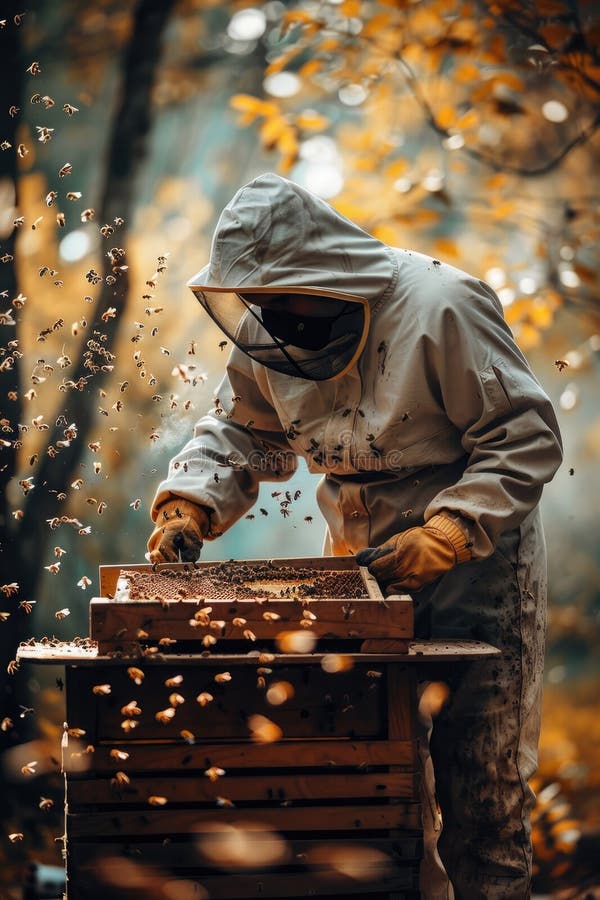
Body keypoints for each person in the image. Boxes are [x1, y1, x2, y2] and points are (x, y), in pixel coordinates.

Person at [147, 172, 563, 898]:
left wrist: (449, 531)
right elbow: (245, 432)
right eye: (259, 302)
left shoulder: (442, 306)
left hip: (479, 567)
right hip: (365, 568)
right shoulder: (272, 331)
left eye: (282, 297)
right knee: (380, 785)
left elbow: (523, 436)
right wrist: (191, 501)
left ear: (326, 273)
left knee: (480, 795)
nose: (271, 316)